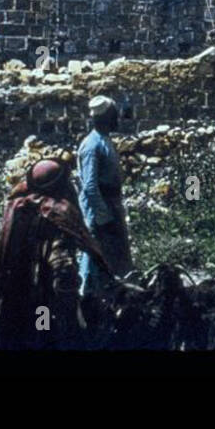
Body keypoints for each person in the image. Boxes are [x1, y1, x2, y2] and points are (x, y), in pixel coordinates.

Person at [0, 158, 109, 350]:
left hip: (8, 296)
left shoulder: (16, 207)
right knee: (42, 336)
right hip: (40, 301)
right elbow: (62, 268)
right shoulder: (58, 214)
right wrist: (70, 310)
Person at [77, 95, 132, 300]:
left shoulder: (104, 140)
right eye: (113, 115)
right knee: (94, 255)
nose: (117, 118)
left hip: (111, 206)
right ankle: (86, 298)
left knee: (114, 256)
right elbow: (90, 187)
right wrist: (103, 216)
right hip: (100, 209)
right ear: (105, 117)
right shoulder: (92, 146)